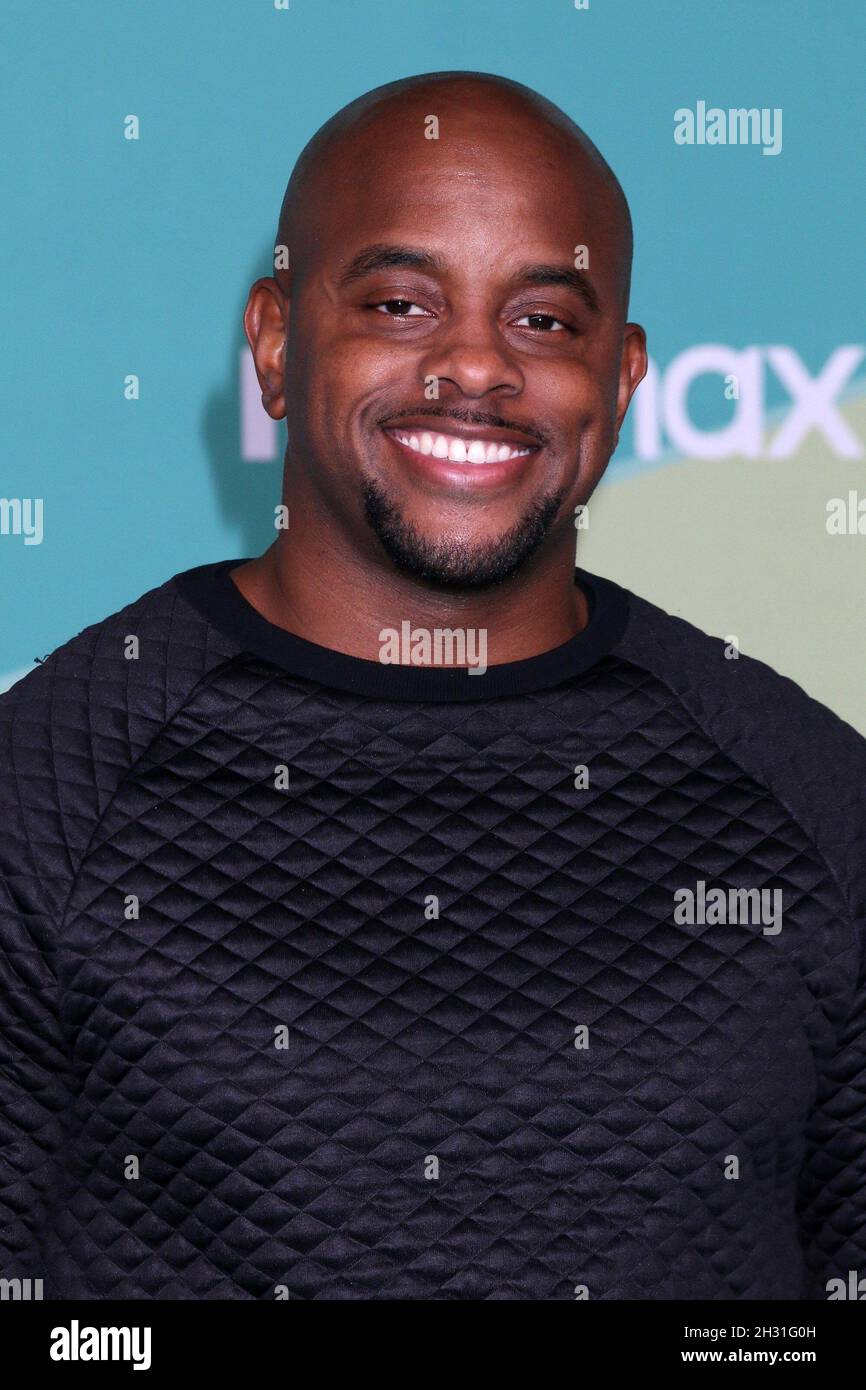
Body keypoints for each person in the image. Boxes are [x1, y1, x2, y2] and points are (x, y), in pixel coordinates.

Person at [1, 71, 864, 1301]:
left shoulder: (815, 799)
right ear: (277, 341)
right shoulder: (42, 791)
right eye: (401, 304)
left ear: (619, 383)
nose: (475, 367)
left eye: (544, 321)